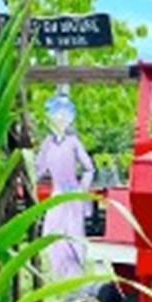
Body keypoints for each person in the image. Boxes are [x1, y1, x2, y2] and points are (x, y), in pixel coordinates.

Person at [36, 91, 95, 281]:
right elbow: (38, 168)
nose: (60, 119)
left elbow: (89, 169)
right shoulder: (48, 144)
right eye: (56, 115)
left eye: (64, 115)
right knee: (51, 232)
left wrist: (81, 189)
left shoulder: (73, 142)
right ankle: (56, 274)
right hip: (57, 194)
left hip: (73, 194)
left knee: (74, 233)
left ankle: (75, 275)